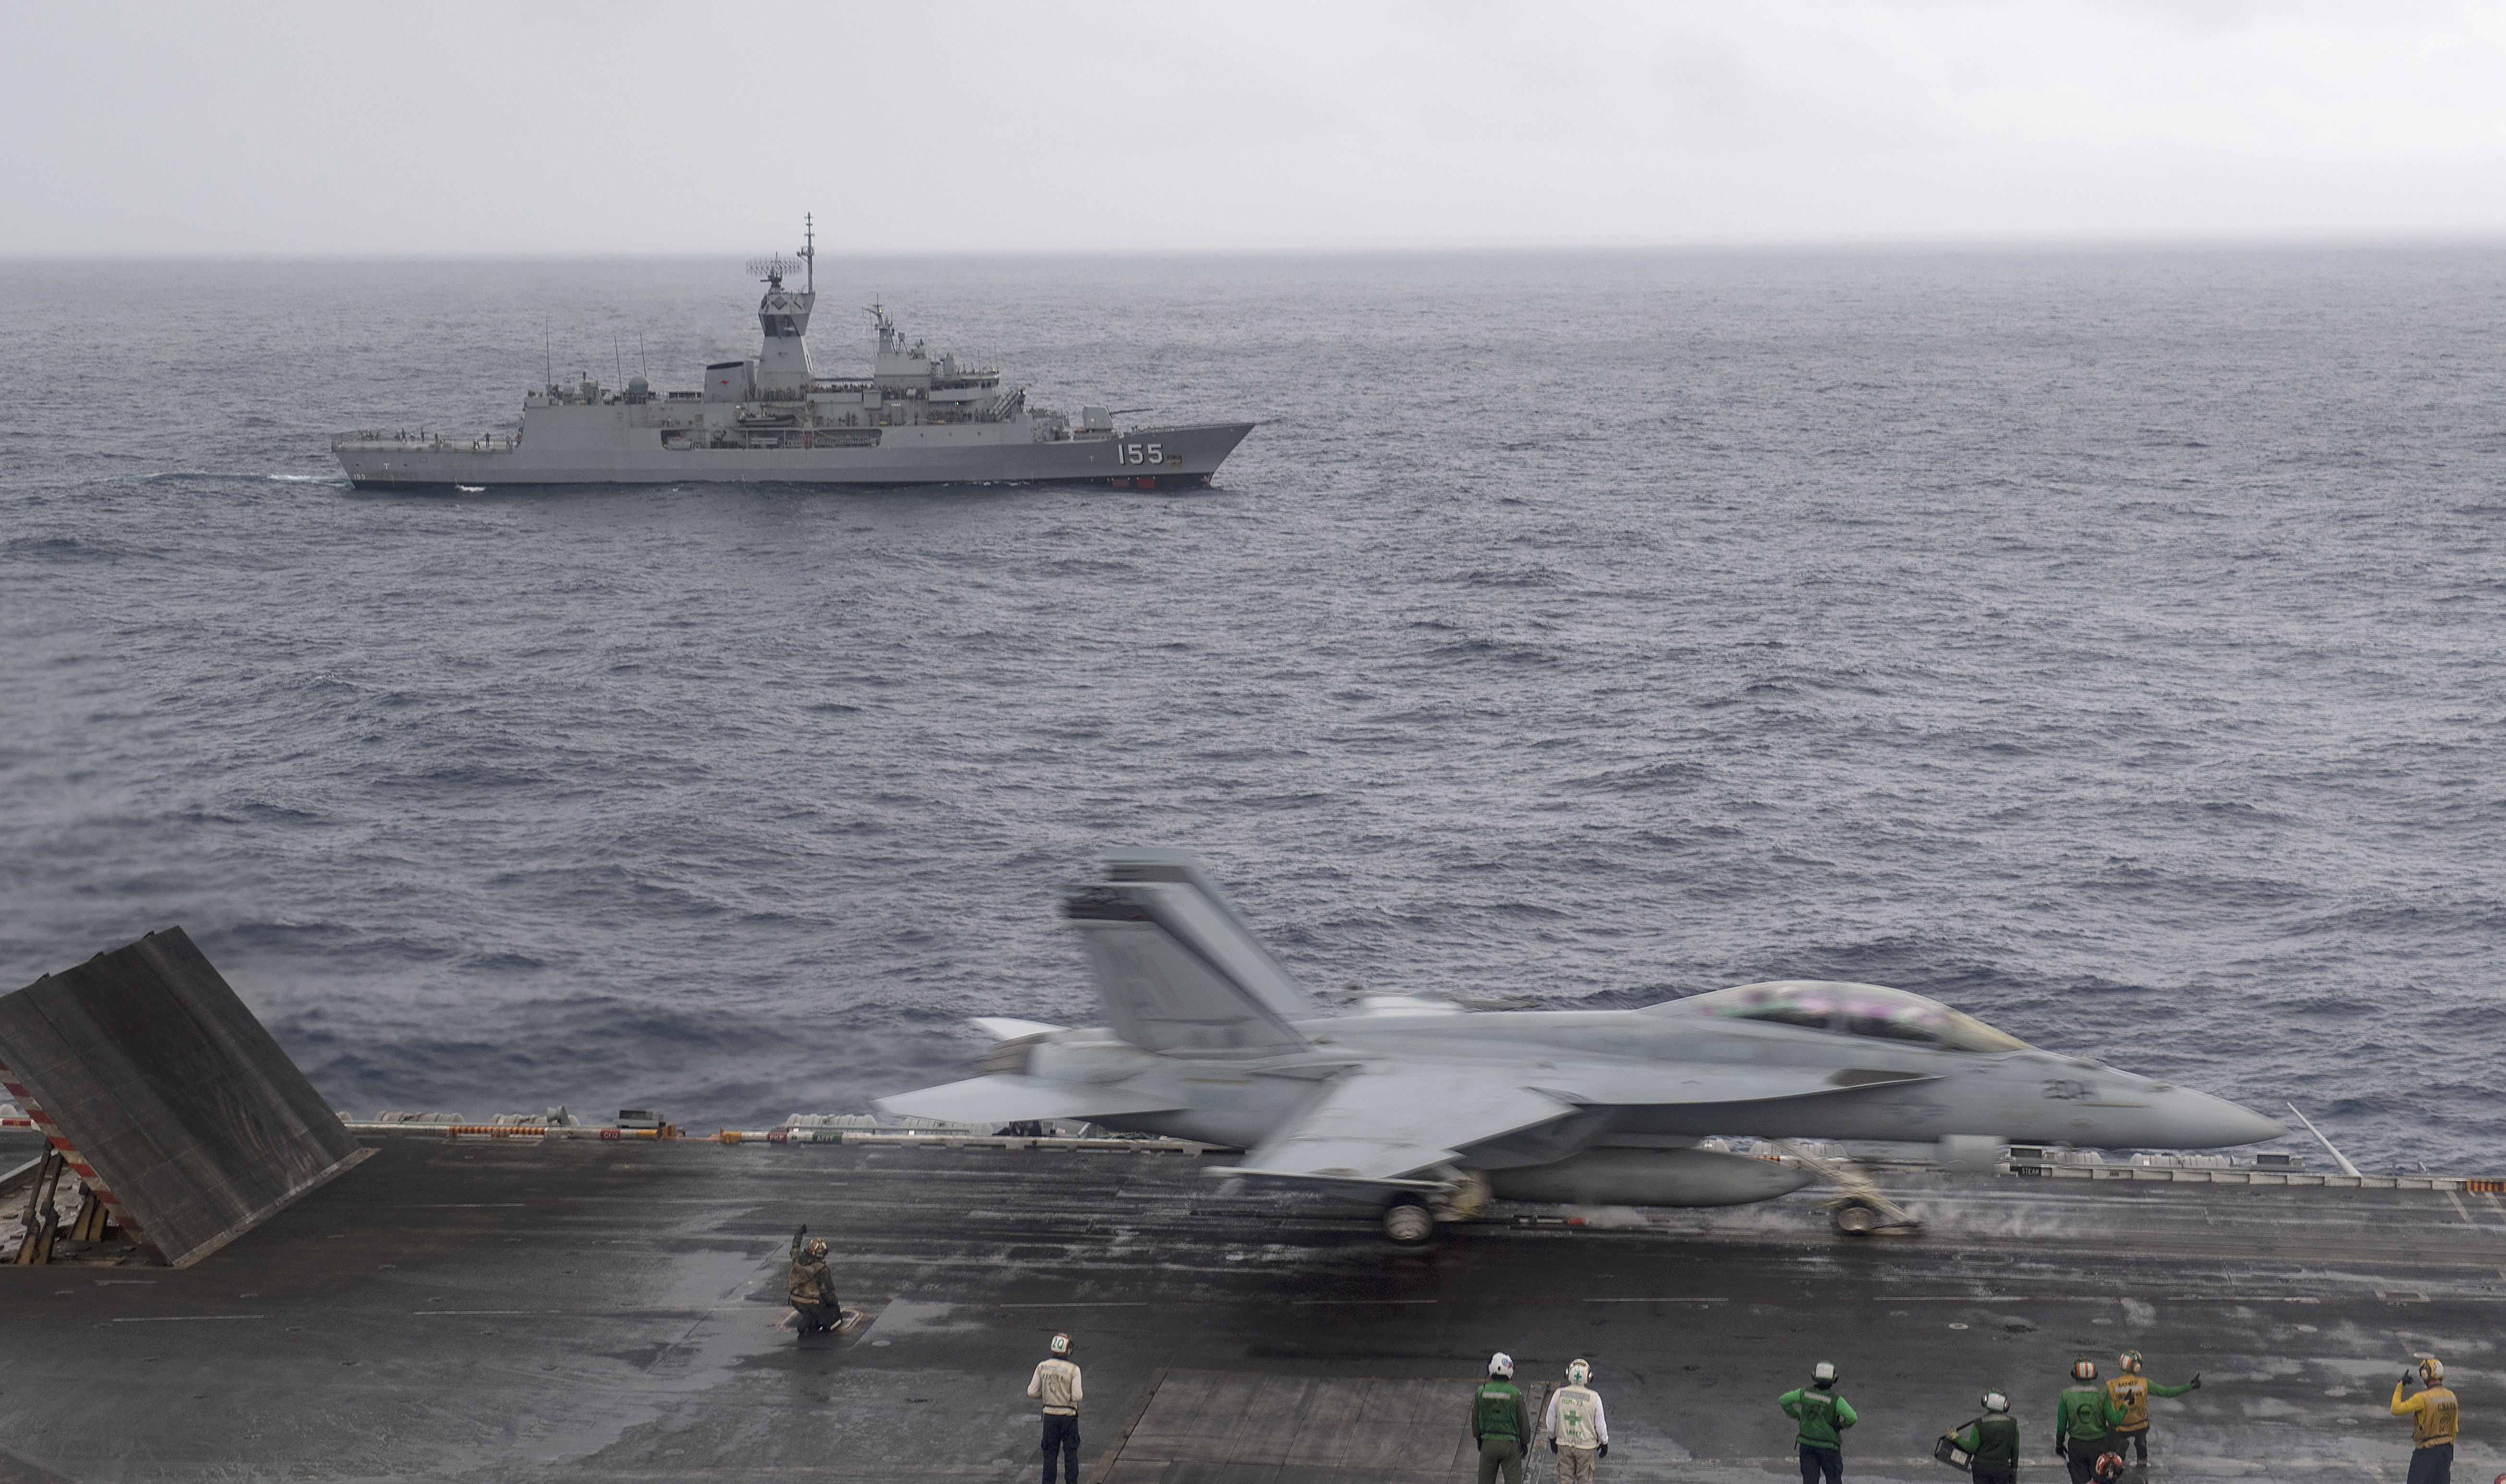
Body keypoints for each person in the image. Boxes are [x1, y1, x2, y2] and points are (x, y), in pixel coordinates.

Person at [2105, 1349, 2199, 1463]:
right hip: (2140, 1425)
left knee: (2111, 1436)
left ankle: (2117, 1459)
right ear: (2137, 1367)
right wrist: (2190, 1386)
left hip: (2120, 1428)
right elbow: (2168, 1392)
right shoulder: (2145, 1383)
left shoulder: (2111, 1385)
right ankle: (2142, 1459)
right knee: (2141, 1438)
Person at [1778, 1361, 1857, 1484]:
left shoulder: (1804, 1393)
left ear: (1814, 1377)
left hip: (1807, 1445)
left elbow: (1784, 1400)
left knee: (1810, 1480)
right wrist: (1841, 1426)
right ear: (1834, 1379)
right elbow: (1852, 1418)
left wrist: (1797, 1416)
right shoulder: (1836, 1400)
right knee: (1834, 1479)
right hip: (1829, 1448)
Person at [2054, 1360, 2128, 1484]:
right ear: (2095, 1375)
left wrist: (2059, 1444)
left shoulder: (2066, 1395)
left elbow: (2061, 1425)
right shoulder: (2103, 1394)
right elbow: (2114, 1420)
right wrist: (2124, 1407)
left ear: (2075, 1375)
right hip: (2098, 1445)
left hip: (2076, 1446)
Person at [1026, 1332, 1084, 1484]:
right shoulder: (1074, 1370)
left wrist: (1048, 1396)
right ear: (1068, 1350)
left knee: (1050, 1455)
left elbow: (1032, 1392)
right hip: (1069, 1416)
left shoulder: (1042, 1366)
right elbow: (1077, 1396)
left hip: (1050, 1417)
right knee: (1071, 1454)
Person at [2390, 1356, 2458, 1484]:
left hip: (2427, 1451)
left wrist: (2400, 1385)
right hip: (2446, 1451)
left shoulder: (2422, 1398)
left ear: (2426, 1375)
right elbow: (2455, 1428)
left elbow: (2396, 1409)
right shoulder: (2452, 1396)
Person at [1469, 1352, 1532, 1484]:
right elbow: (1523, 1422)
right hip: (1511, 1445)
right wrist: (1524, 1442)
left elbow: (1475, 1419)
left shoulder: (1481, 1392)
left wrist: (1479, 1438)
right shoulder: (1515, 1394)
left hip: (1488, 1443)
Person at [1543, 1358, 1610, 1483]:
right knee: (1585, 1480)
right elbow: (1600, 1425)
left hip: (1564, 1445)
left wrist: (1553, 1439)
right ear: (1588, 1377)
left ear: (1568, 1374)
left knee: (1565, 1480)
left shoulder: (1559, 1394)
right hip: (1586, 1447)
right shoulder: (1595, 1398)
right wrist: (1604, 1442)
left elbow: (1550, 1421)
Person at [1943, 1389, 2020, 1484]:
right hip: (2001, 1469)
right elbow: (2015, 1450)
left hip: (1981, 1469)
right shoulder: (2013, 1424)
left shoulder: (1979, 1424)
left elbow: (1972, 1448)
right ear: (2005, 1406)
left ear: (1985, 1403)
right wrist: (2014, 1468)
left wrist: (1956, 1437)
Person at [785, 1230, 842, 1335]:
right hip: (813, 1304)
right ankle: (813, 1317)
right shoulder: (821, 1269)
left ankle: (810, 1317)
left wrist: (799, 1234)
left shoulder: (797, 1259)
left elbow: (794, 1248)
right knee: (832, 1312)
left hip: (795, 1300)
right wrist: (834, 1306)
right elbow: (828, 1293)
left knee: (813, 1307)